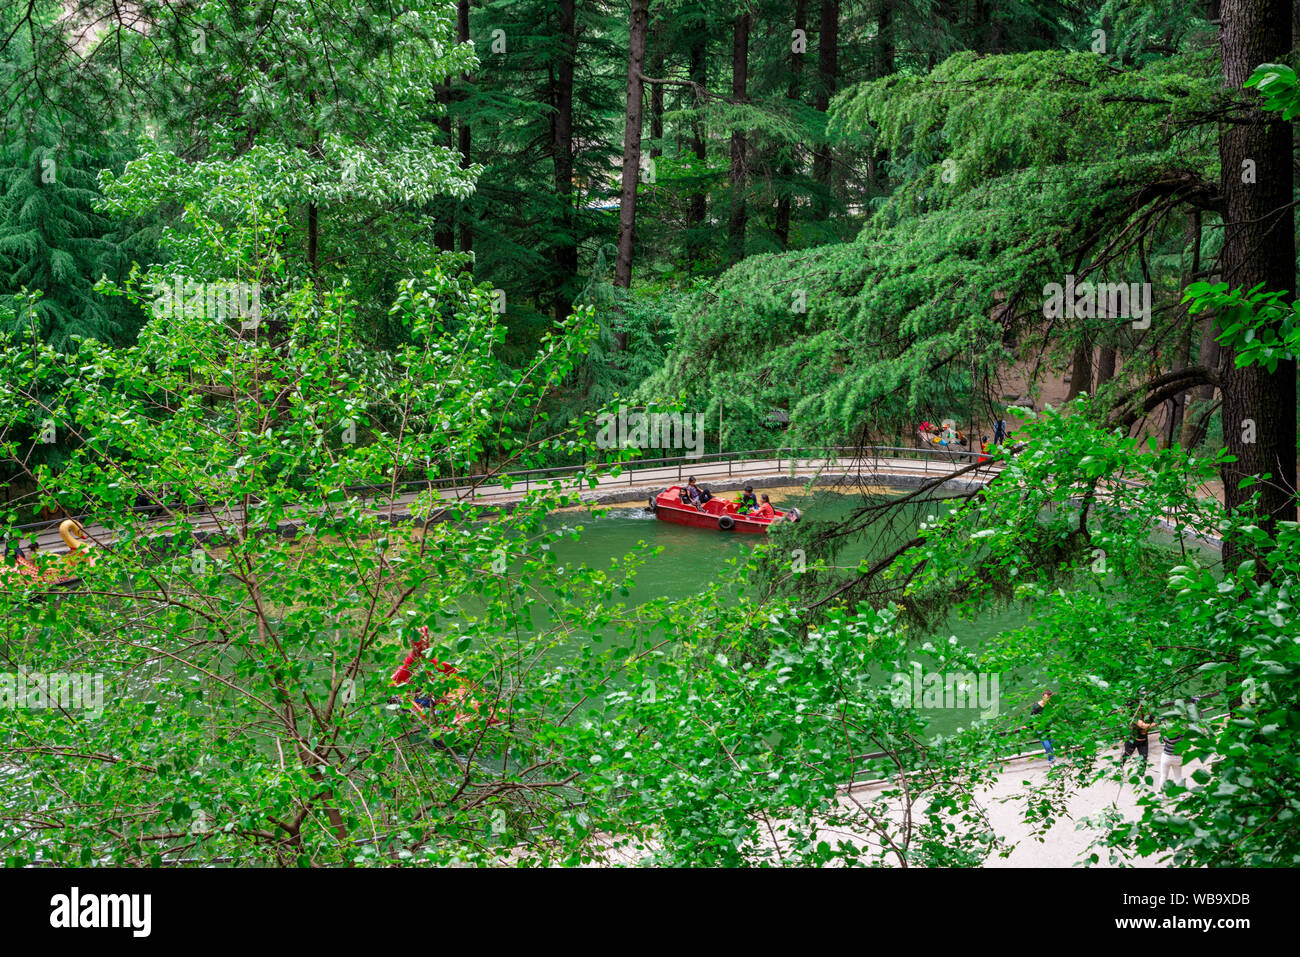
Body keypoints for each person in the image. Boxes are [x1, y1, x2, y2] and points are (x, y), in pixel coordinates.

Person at [1030, 690, 1056, 762]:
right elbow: (1032, 718)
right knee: (1047, 746)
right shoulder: (1036, 706)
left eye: (1048, 698)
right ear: (1042, 697)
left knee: (1051, 745)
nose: (1046, 699)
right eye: (1045, 698)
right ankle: (1051, 761)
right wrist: (1029, 726)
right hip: (1040, 729)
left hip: (1049, 729)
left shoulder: (1050, 705)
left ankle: (1052, 759)